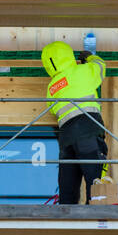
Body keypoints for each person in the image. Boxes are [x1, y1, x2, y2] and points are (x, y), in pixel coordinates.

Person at [41, 40, 110, 205]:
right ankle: (95, 217)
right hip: (87, 129)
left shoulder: (51, 87)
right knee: (94, 180)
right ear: (68, 56)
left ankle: (66, 219)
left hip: (66, 137)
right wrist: (90, 57)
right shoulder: (82, 71)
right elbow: (101, 67)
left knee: (68, 184)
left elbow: (52, 109)